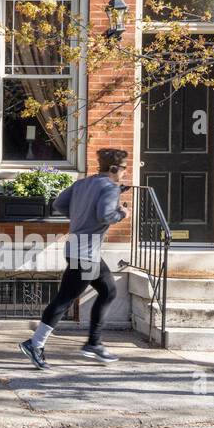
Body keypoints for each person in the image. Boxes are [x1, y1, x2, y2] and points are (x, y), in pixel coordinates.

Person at [20, 148, 131, 369]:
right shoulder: (110, 187)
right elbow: (106, 215)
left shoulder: (83, 183)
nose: (125, 172)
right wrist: (122, 213)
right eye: (124, 168)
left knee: (108, 291)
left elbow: (58, 204)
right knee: (64, 300)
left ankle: (94, 343)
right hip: (86, 254)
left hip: (80, 249)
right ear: (113, 168)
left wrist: (81, 216)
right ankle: (35, 344)